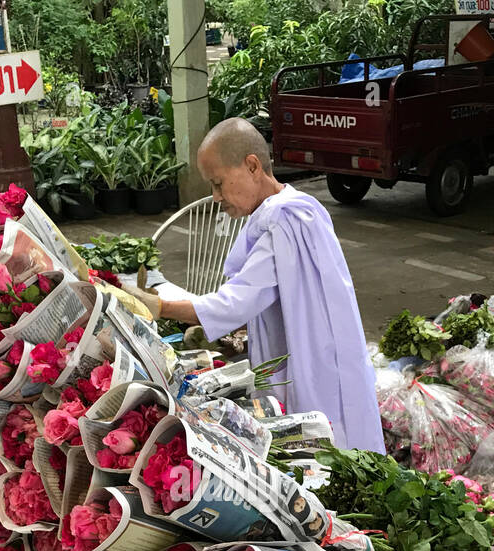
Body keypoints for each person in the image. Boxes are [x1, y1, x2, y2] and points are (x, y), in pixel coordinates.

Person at [132, 118, 385, 453]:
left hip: (320, 367)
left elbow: (237, 302)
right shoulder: (285, 212)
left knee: (333, 451)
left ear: (252, 165)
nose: (216, 196)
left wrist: (160, 306)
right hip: (321, 359)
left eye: (219, 183)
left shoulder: (286, 220)